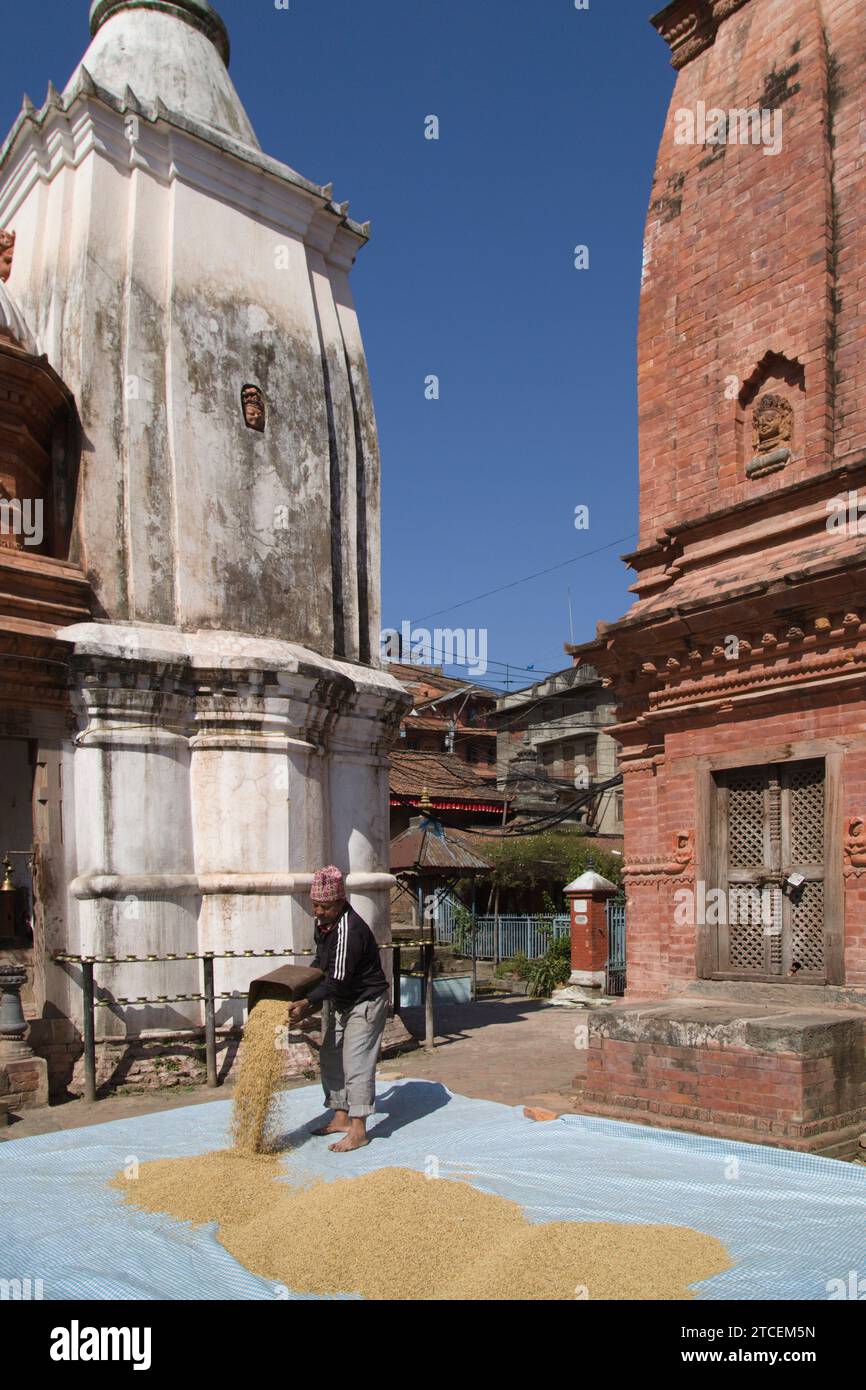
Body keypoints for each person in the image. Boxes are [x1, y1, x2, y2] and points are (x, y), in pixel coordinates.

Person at [289, 866, 390, 1152]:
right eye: (315, 905)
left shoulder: (349, 929)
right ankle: (341, 1116)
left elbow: (337, 979)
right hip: (343, 1000)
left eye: (325, 907)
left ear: (340, 902)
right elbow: (321, 965)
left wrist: (307, 1003)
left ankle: (359, 1130)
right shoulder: (324, 925)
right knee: (331, 1055)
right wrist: (298, 989)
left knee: (356, 1063)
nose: (318, 911)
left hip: (366, 1002)